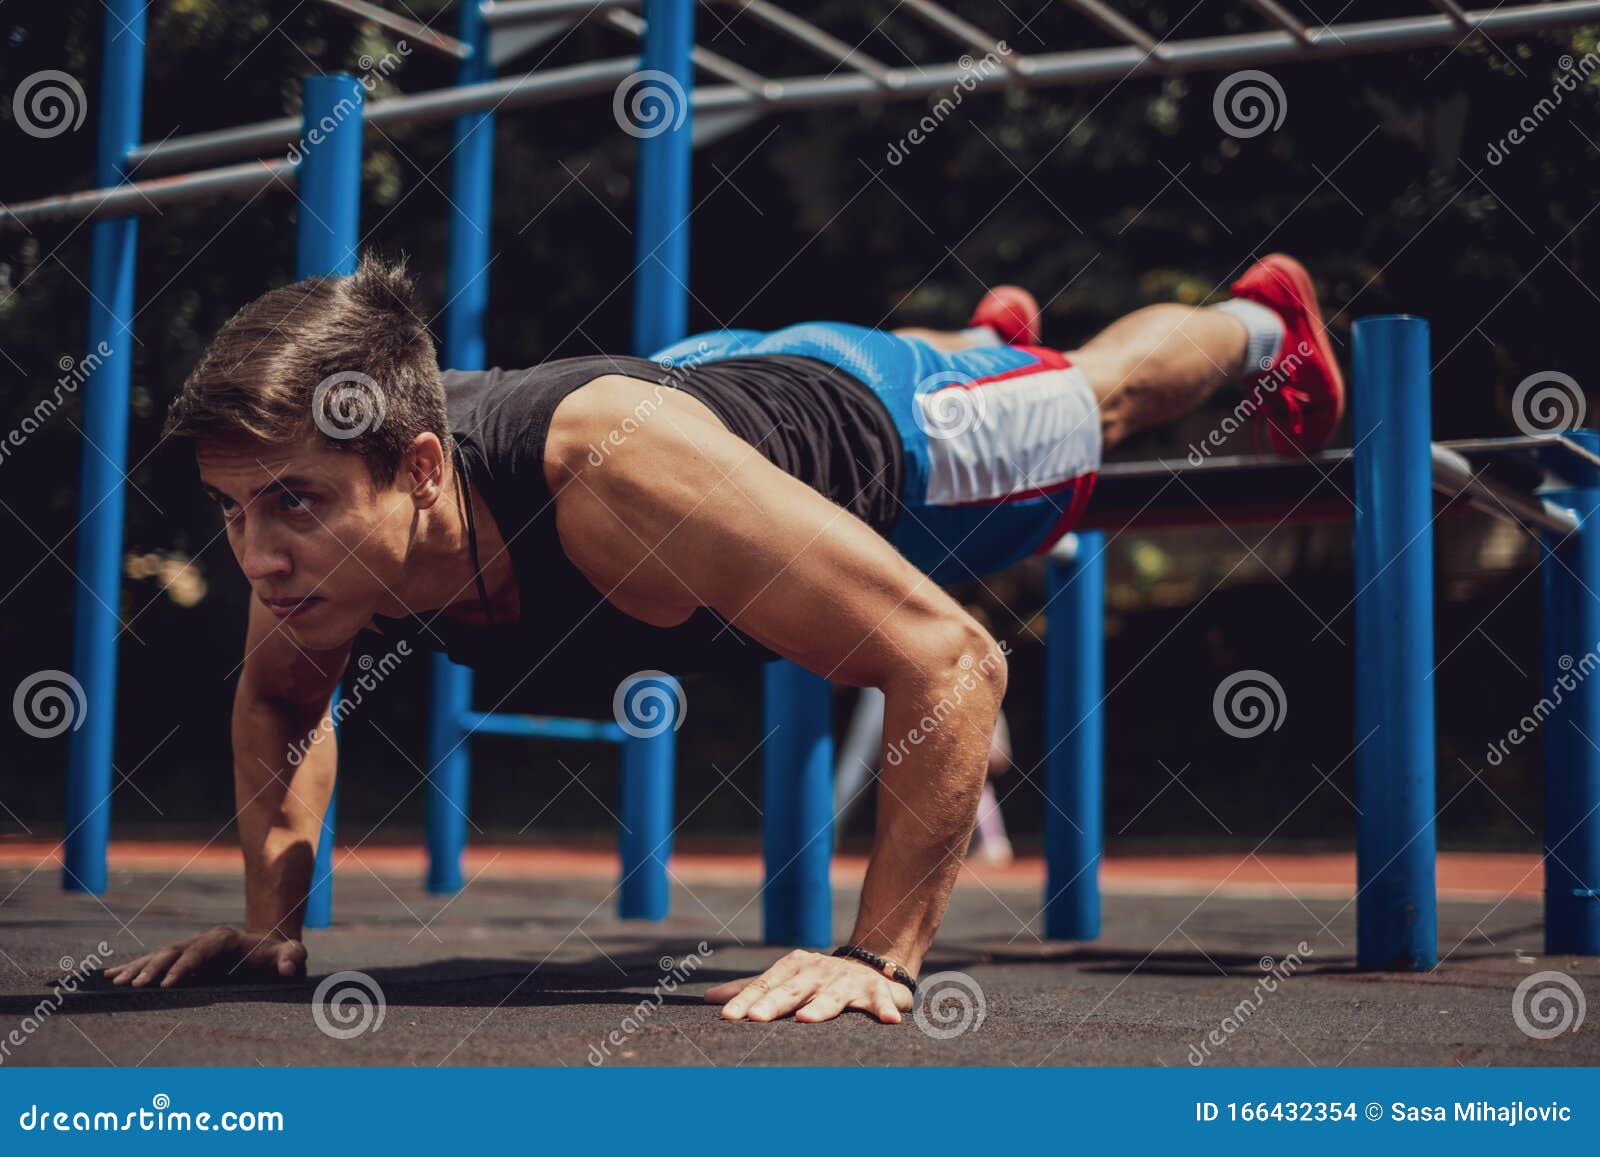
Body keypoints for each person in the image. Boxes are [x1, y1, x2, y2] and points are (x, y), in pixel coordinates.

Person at [102, 252, 1341, 1024]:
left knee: (1094, 396)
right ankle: (980, 339)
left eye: (293, 503)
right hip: (705, 384)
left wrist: (881, 957)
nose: (256, 556)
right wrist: (275, 925)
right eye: (233, 510)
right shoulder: (325, 545)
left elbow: (953, 660)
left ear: (418, 470)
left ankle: (1258, 318)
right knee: (947, 378)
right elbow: (277, 700)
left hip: (889, 445)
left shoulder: (606, 476)